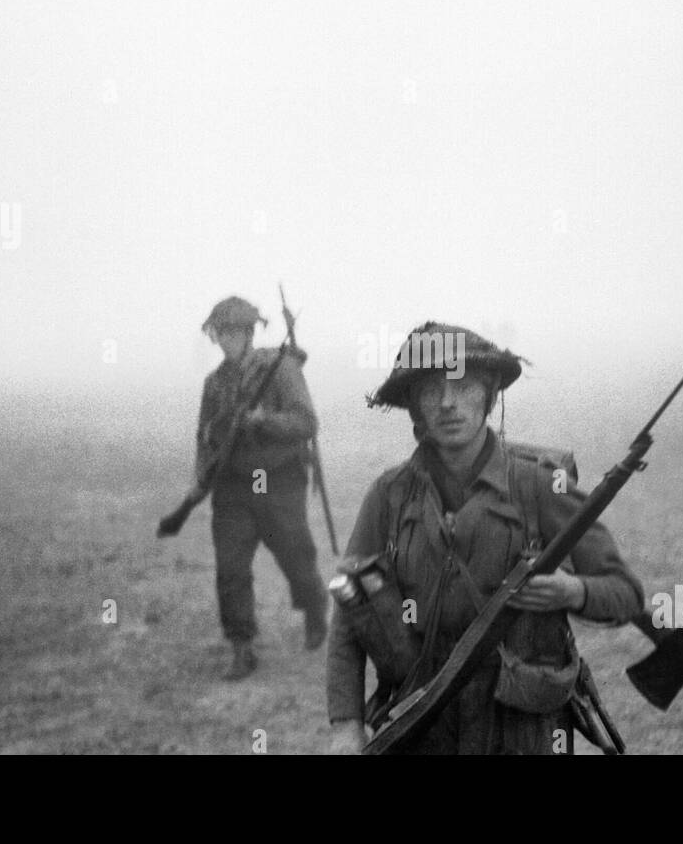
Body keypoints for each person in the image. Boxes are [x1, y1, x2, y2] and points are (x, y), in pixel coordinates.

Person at [327, 322, 644, 754]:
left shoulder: (538, 484)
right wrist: (346, 725)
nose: (447, 403)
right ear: (415, 408)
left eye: (462, 385)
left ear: (489, 393)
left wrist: (573, 591)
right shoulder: (389, 495)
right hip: (421, 721)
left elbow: (625, 593)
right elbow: (349, 616)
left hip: (521, 729)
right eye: (430, 390)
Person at [194, 296, 329, 681]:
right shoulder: (214, 383)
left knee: (295, 556)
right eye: (222, 333)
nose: (228, 339)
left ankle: (315, 607)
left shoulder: (280, 368)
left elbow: (306, 422)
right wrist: (201, 477)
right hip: (233, 486)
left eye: (236, 331)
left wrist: (262, 420)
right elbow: (204, 435)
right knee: (230, 567)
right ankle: (241, 646)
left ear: (250, 332)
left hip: (278, 479)